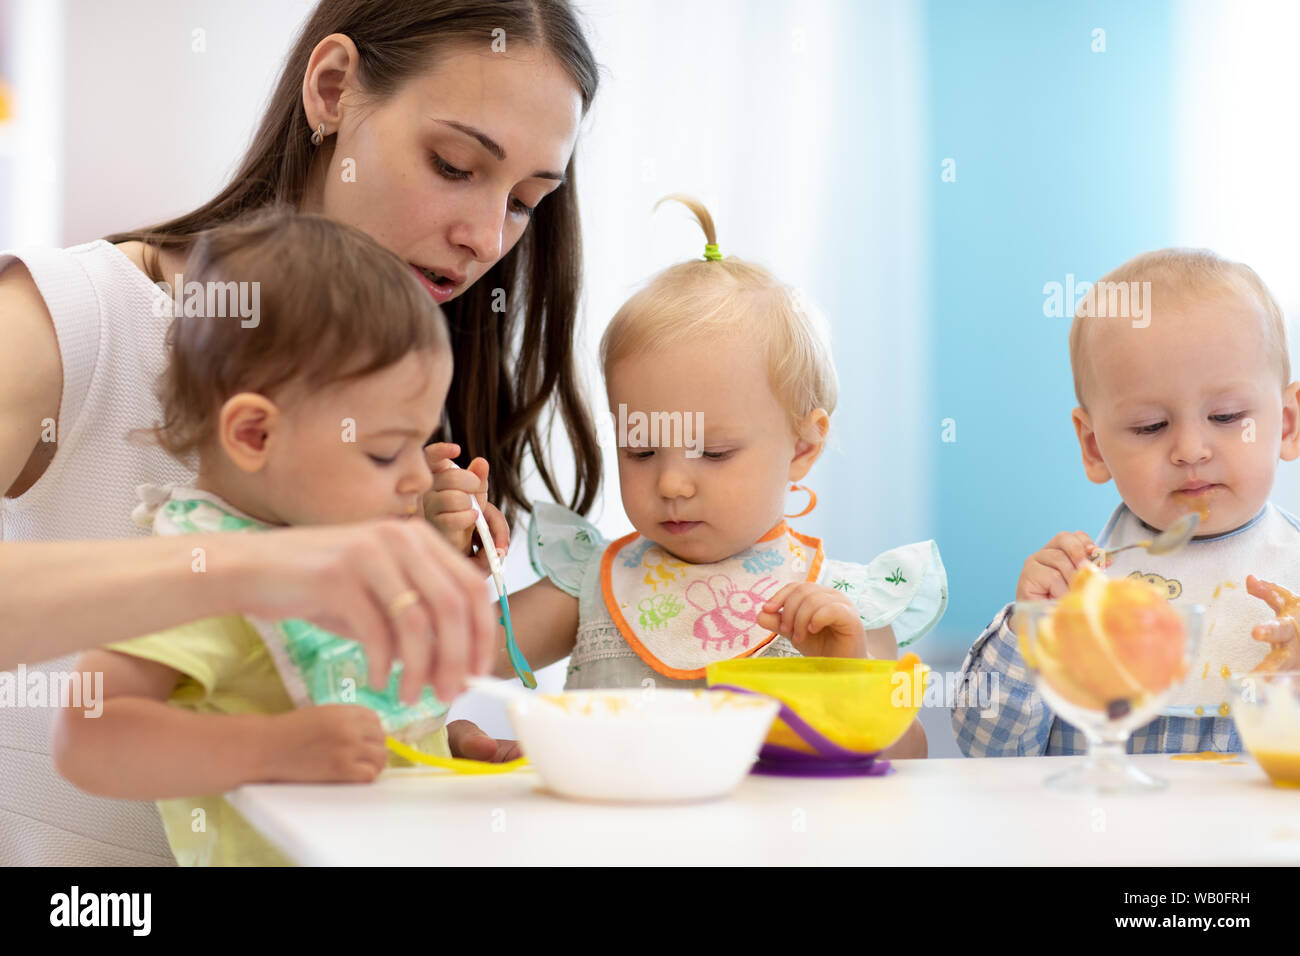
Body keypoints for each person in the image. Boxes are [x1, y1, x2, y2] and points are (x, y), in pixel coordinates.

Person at [1, 0, 601, 865]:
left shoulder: (403, 405)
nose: (482, 239)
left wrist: (422, 750)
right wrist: (262, 562)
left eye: (525, 203)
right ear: (331, 90)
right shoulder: (69, 321)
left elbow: (286, 700)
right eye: (453, 164)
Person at [448, 197, 948, 759]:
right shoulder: (592, 584)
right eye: (640, 450)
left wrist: (845, 670)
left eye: (711, 452)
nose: (671, 484)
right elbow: (438, 657)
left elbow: (909, 759)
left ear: (803, 447)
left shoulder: (840, 607)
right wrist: (442, 558)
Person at [56, 210, 484, 866]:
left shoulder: (336, 546)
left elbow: (359, 724)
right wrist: (277, 750)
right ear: (255, 435)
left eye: (419, 444)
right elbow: (87, 740)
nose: (413, 480)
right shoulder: (204, 573)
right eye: (383, 453)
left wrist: (443, 748)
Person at [953, 249, 1300, 757]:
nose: (1191, 451)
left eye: (1226, 417)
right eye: (1150, 427)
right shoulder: (1082, 590)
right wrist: (1032, 628)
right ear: (1094, 447)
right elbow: (989, 748)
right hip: (1103, 833)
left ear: (1287, 424)